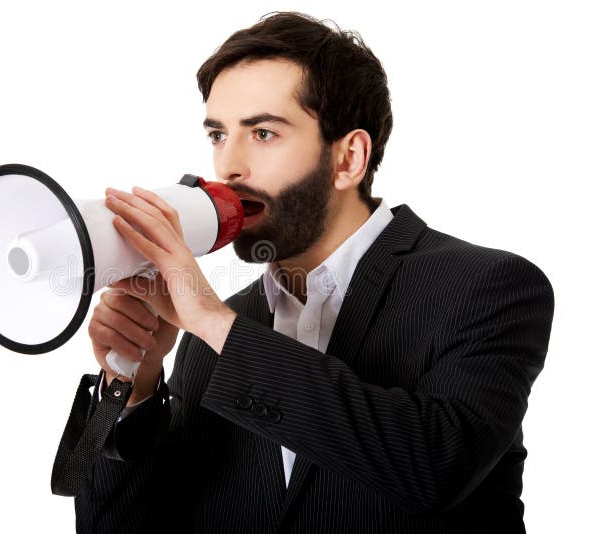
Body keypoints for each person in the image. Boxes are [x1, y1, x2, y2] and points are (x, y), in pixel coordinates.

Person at [63, 12, 554, 533]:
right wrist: (130, 388)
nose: (227, 167)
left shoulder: (489, 287)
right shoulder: (214, 334)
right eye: (218, 135)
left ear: (349, 159)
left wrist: (210, 320)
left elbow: (433, 468)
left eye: (264, 132)